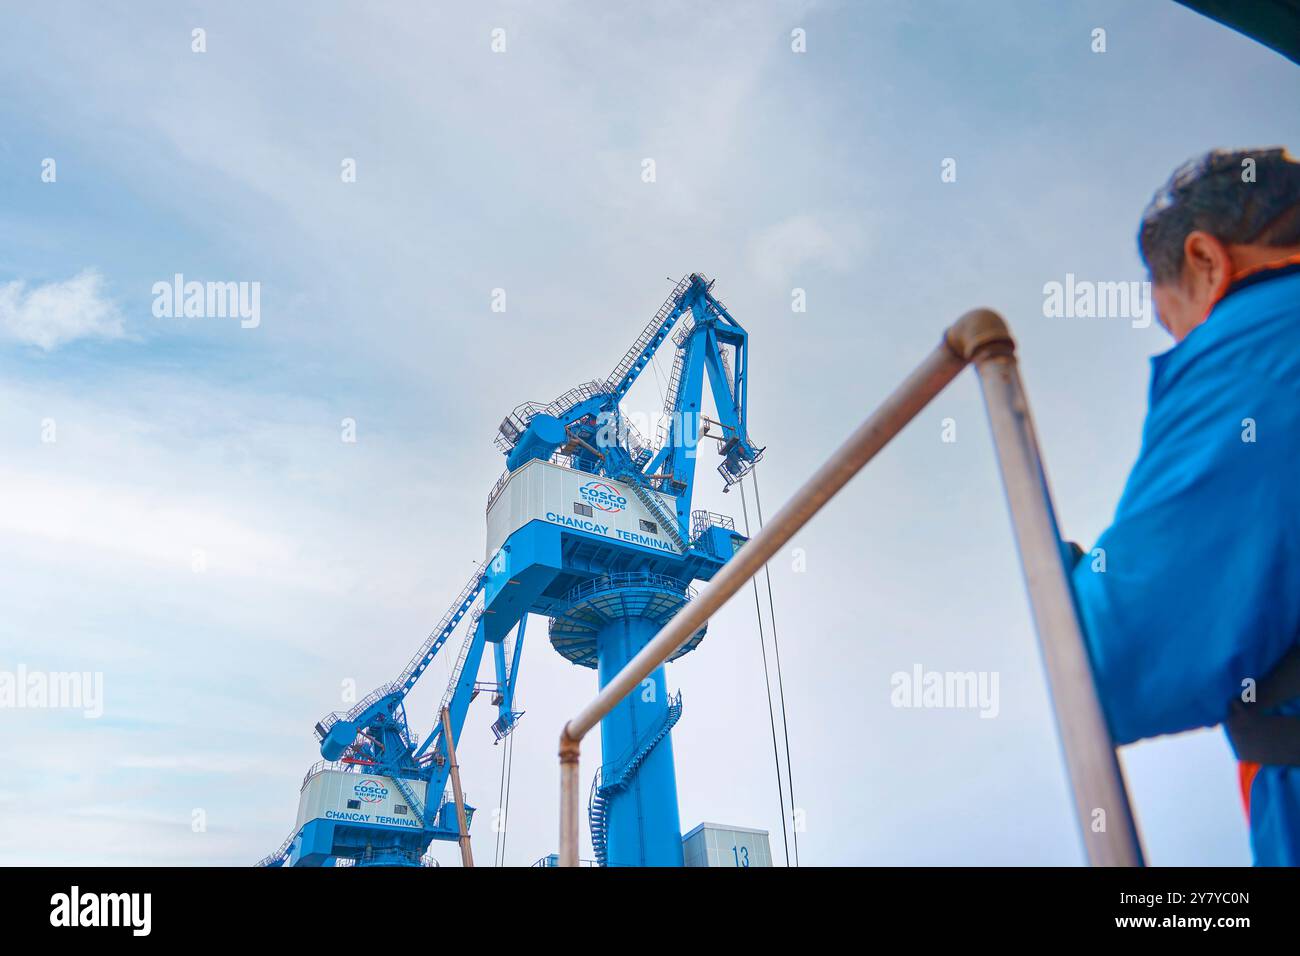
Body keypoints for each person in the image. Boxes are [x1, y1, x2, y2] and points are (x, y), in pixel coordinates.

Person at [1071, 147, 1300, 866]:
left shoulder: (1258, 340)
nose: (1188, 346)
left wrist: (1061, 577)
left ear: (1206, 262)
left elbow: (1110, 665)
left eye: (1178, 327)